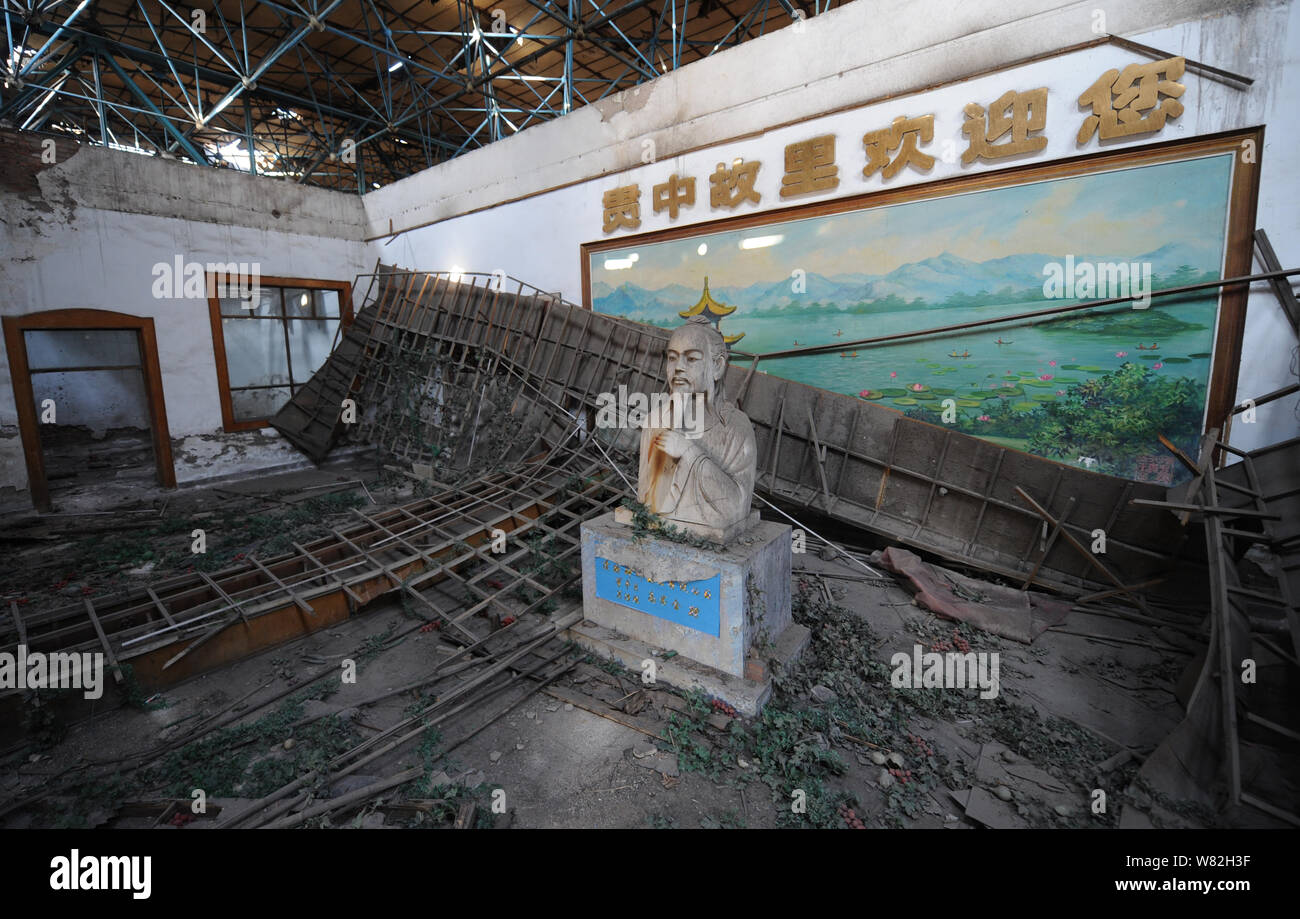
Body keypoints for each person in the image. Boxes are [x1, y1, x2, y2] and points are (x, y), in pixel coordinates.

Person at [638, 320, 757, 537]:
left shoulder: (736, 428)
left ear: (717, 366)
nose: (679, 367)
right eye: (672, 358)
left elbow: (736, 508)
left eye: (691, 358)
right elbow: (647, 498)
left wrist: (689, 452)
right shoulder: (654, 421)